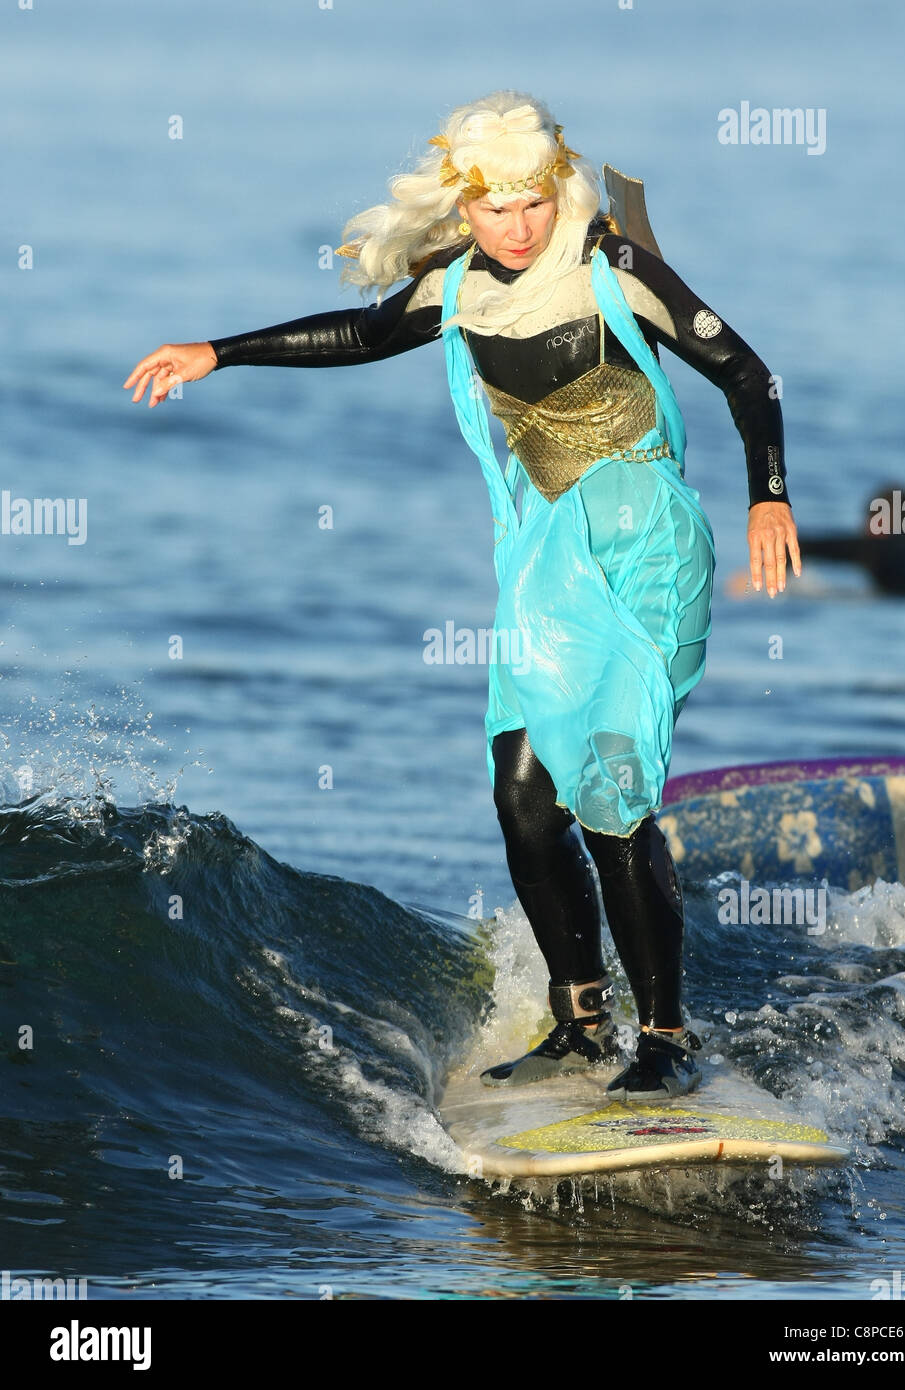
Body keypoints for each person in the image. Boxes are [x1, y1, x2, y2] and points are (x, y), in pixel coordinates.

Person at [123, 91, 800, 1102]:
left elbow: (748, 373)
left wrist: (767, 501)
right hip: (546, 555)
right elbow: (356, 333)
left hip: (643, 547)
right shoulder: (457, 287)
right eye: (496, 211)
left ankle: (666, 1038)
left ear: (552, 190)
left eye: (532, 204)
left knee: (609, 794)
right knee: (525, 798)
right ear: (466, 207)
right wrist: (216, 352)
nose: (519, 229)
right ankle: (581, 1025)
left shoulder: (609, 263)